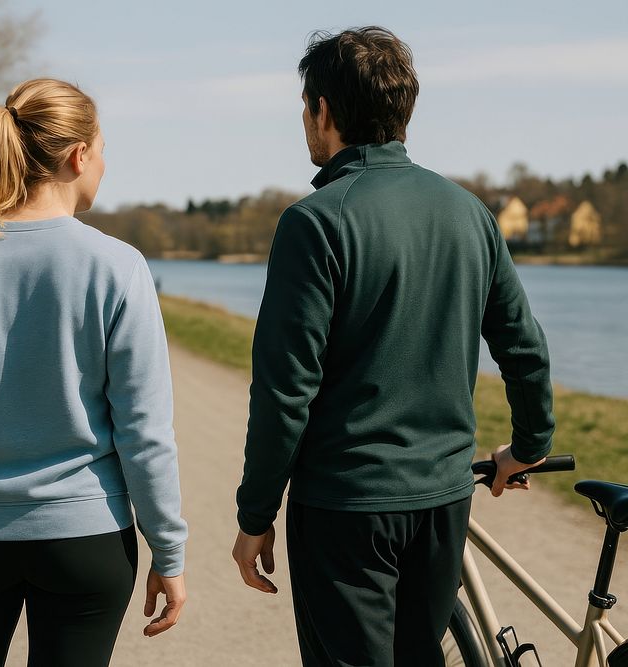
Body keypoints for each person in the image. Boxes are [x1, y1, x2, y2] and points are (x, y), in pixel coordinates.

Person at [231, 27, 555, 667]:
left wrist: (255, 513)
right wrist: (529, 446)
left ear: (324, 110)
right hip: (442, 499)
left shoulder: (315, 222)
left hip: (346, 507)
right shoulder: (469, 213)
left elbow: (284, 390)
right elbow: (523, 348)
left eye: (305, 106)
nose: (303, 121)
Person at [0, 78, 188, 667]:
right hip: (87, 539)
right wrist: (167, 552)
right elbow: (145, 432)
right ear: (79, 156)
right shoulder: (118, 267)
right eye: (103, 149)